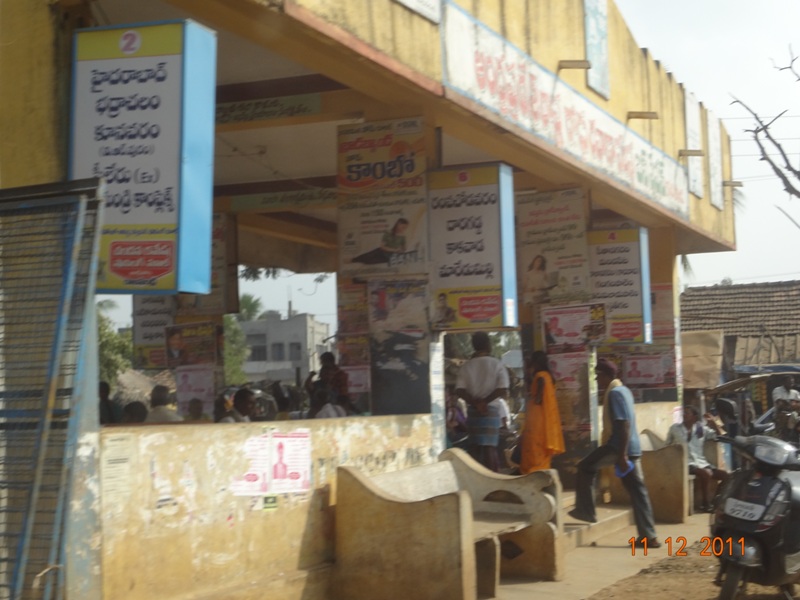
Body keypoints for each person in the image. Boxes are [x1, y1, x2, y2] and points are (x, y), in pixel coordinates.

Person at [569, 358, 660, 549]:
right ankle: (649, 537)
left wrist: (621, 455)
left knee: (585, 466)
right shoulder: (624, 390)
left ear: (605, 375)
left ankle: (586, 511)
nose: (597, 380)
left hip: (618, 447)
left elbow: (623, 424)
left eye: (598, 376)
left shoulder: (615, 393)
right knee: (638, 492)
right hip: (631, 448)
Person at [455, 331, 509, 472]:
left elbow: (459, 391)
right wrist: (485, 402)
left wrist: (476, 403)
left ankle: (476, 478)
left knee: (475, 448)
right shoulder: (497, 364)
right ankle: (492, 479)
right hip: (491, 412)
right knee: (490, 448)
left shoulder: (466, 366)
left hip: (473, 412)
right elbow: (502, 389)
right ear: (488, 345)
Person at [666, 405, 727, 512]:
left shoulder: (700, 429)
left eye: (687, 413)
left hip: (701, 462)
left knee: (726, 476)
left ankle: (715, 502)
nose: (684, 415)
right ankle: (705, 504)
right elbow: (667, 445)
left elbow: (718, 436)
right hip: (685, 463)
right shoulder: (675, 428)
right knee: (706, 474)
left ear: (694, 417)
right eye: (683, 413)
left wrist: (713, 422)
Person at [519, 351, 565, 473]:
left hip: (537, 419)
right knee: (541, 452)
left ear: (535, 363)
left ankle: (534, 475)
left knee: (534, 450)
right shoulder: (549, 376)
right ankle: (542, 474)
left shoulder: (540, 377)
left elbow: (538, 399)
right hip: (543, 419)